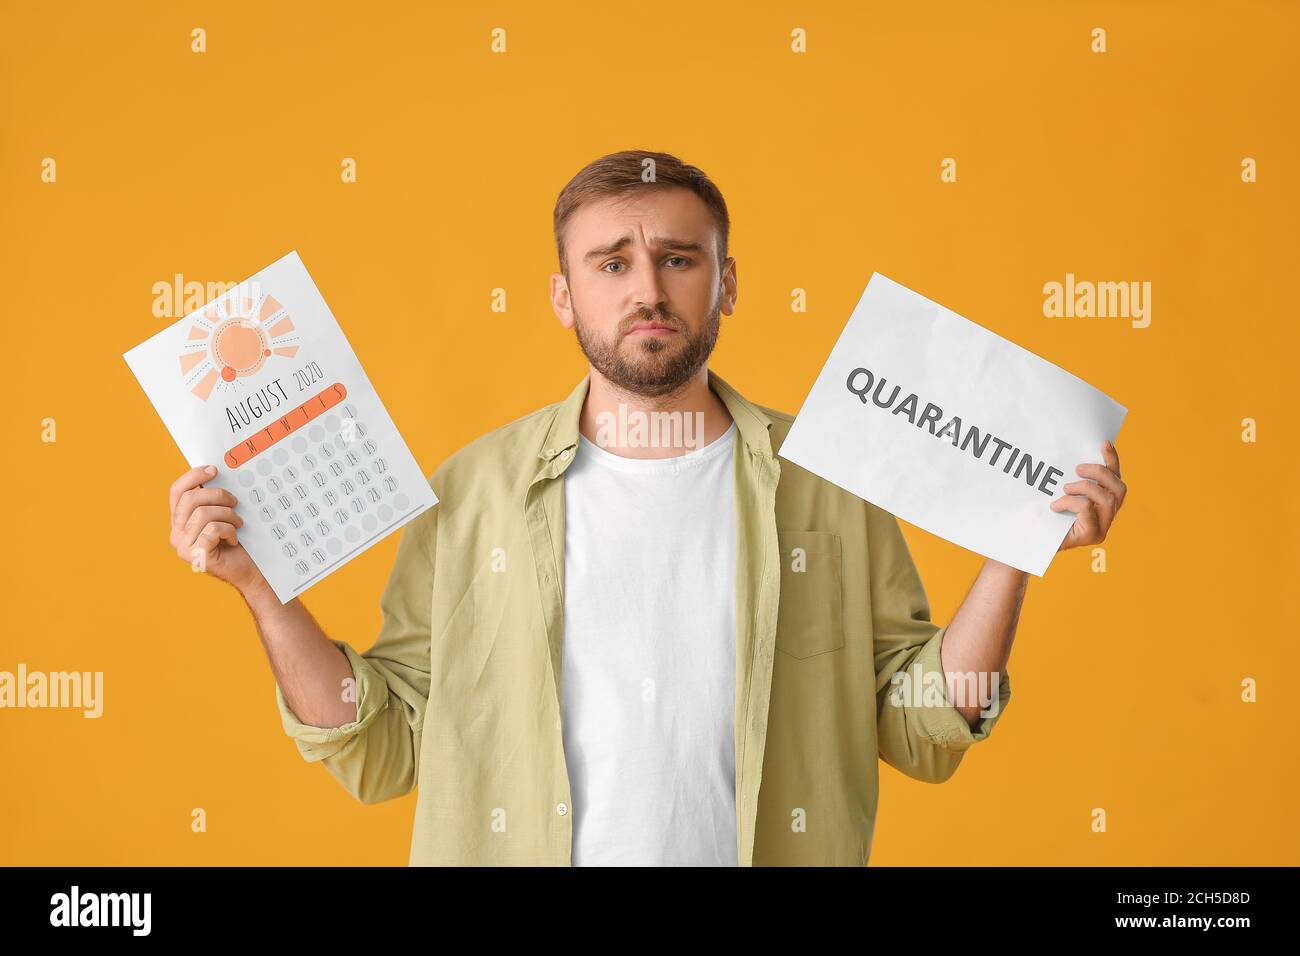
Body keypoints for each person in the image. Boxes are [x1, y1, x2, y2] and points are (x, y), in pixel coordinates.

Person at [164, 149, 1128, 866]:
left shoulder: (831, 478)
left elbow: (919, 726)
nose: (648, 290)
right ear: (563, 294)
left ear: (728, 282)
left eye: (678, 258)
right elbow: (381, 747)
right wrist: (259, 585)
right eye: (611, 264)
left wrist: (1015, 547)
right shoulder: (468, 493)